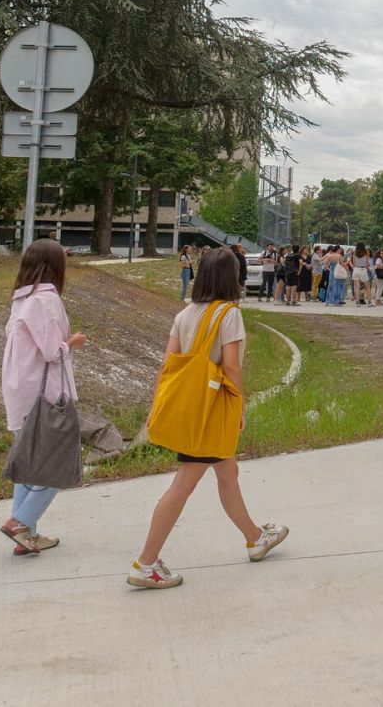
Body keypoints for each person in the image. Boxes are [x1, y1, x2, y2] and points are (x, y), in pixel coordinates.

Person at [128, 248, 288, 590]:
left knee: (227, 472)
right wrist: (240, 405)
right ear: (231, 277)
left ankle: (255, 537)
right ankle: (146, 563)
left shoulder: (185, 314)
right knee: (184, 483)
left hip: (189, 407)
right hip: (211, 410)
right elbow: (231, 366)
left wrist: (157, 405)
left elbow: (167, 364)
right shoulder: (229, 314)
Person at [0, 238, 85, 555]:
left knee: (29, 464)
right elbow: (51, 351)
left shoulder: (21, 299)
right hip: (44, 394)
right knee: (57, 463)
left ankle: (27, 537)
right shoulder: (46, 300)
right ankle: (20, 523)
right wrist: (73, 342)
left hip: (19, 390)